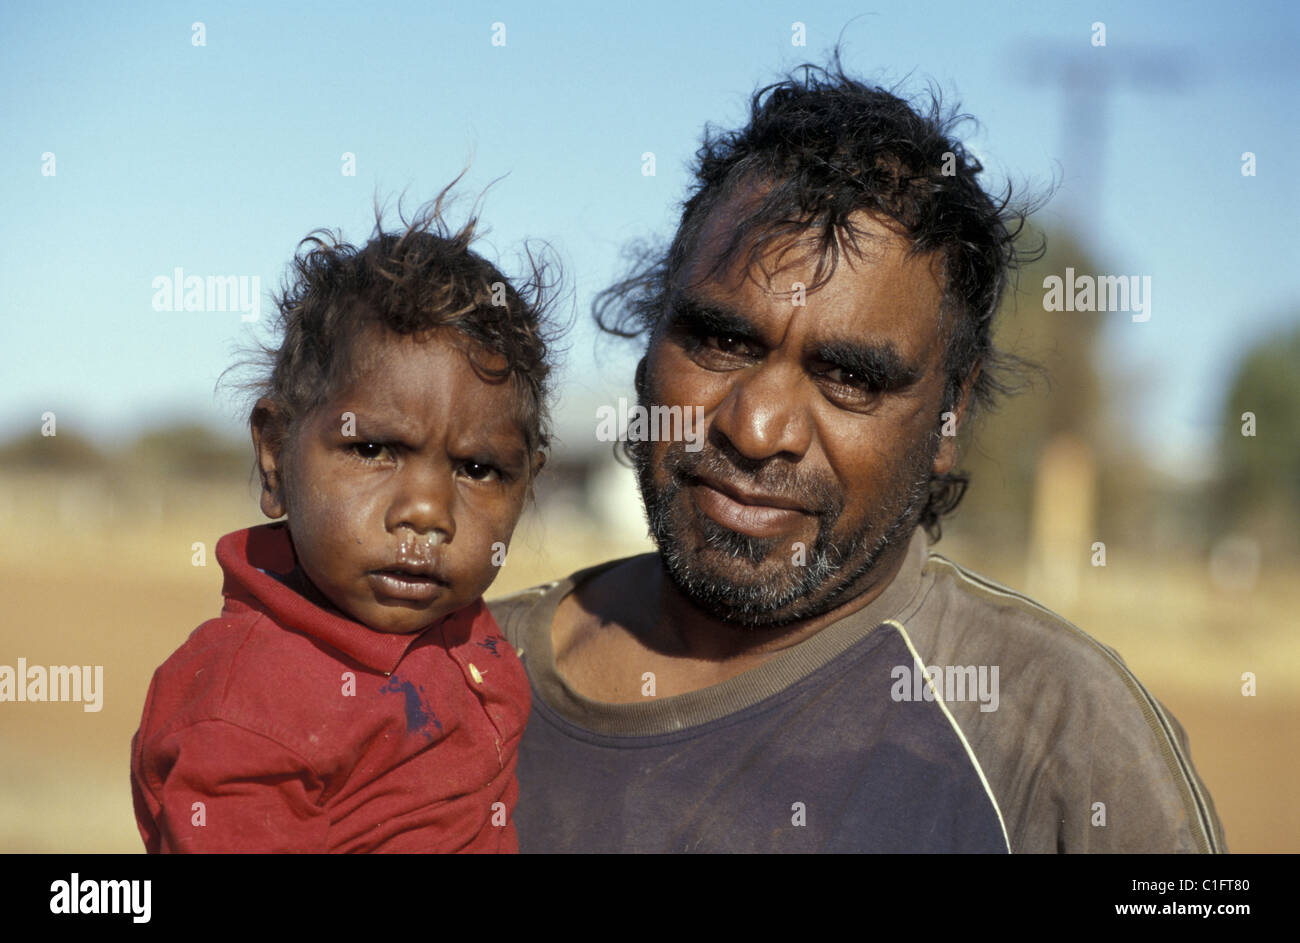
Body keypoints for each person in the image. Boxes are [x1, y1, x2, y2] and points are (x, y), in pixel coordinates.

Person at [488, 63, 1226, 853]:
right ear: (650, 338)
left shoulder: (1057, 735)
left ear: (948, 418)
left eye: (849, 377)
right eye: (723, 340)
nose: (759, 426)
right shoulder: (452, 673)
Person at [131, 185, 558, 852]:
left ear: (527, 482)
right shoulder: (247, 709)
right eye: (371, 449)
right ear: (275, 455)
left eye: (478, 469)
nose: (427, 512)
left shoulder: (473, 637)